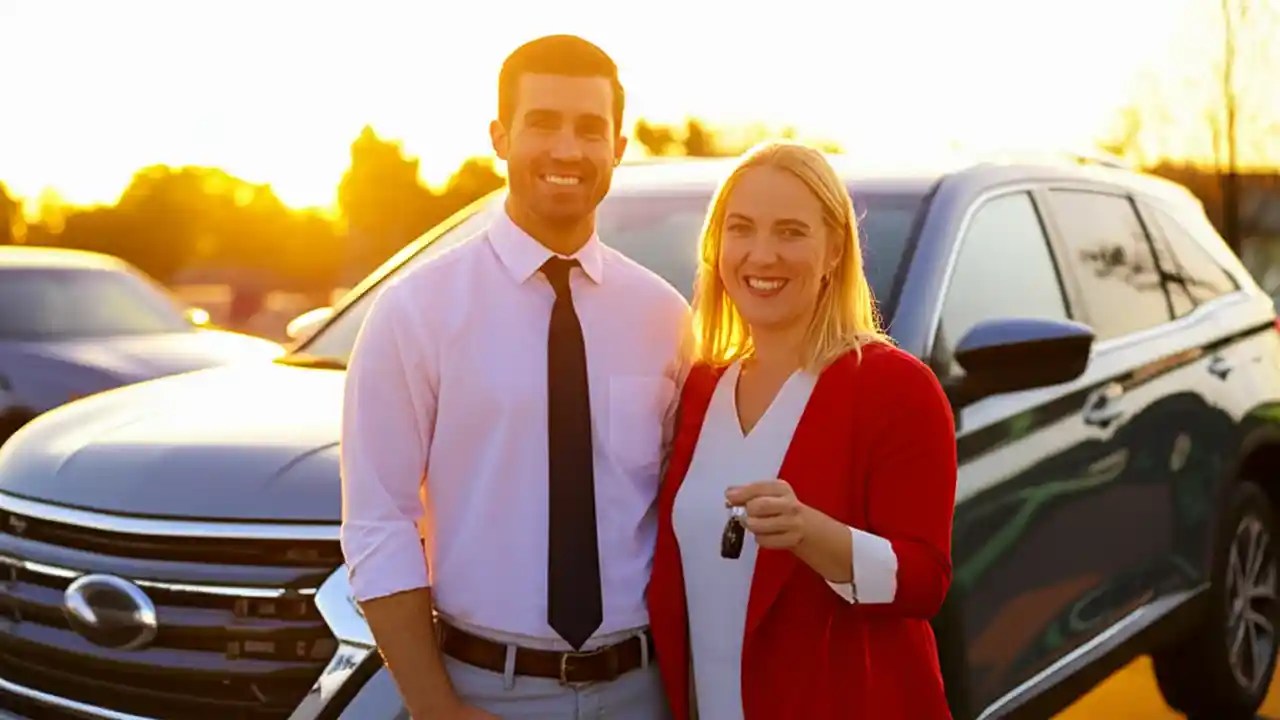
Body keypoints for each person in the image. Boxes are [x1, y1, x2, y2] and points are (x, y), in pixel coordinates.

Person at [339, 34, 688, 720]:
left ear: (619, 146)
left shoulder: (664, 316)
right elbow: (379, 525)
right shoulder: (416, 311)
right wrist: (437, 710)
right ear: (500, 136)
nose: (567, 149)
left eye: (591, 128)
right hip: (480, 692)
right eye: (543, 123)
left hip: (645, 690)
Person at [646, 141, 957, 719]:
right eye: (741, 229)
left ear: (834, 249)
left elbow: (924, 582)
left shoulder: (896, 388)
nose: (761, 255)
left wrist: (811, 533)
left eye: (790, 232)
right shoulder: (701, 387)